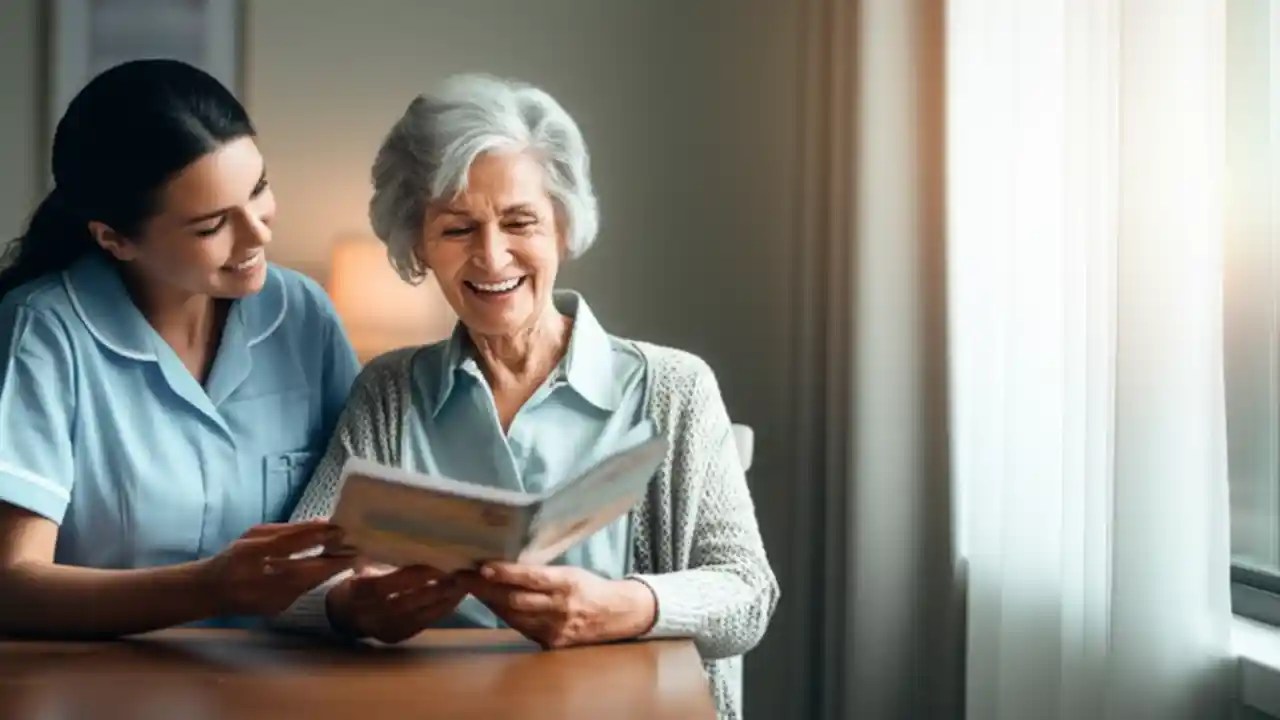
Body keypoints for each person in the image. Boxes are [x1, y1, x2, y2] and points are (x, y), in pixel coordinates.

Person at [274, 74, 778, 719]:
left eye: (520, 222)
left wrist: (622, 606)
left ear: (562, 227)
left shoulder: (675, 387)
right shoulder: (389, 390)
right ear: (419, 243)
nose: (491, 257)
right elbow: (292, 577)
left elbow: (746, 594)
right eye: (458, 229)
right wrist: (352, 606)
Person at [0, 59, 360, 638]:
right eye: (212, 225)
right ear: (115, 239)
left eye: (259, 190)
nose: (259, 234)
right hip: (98, 678)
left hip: (283, 674)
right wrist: (210, 587)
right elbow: (12, 584)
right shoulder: (42, 332)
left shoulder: (304, 313)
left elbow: (363, 505)